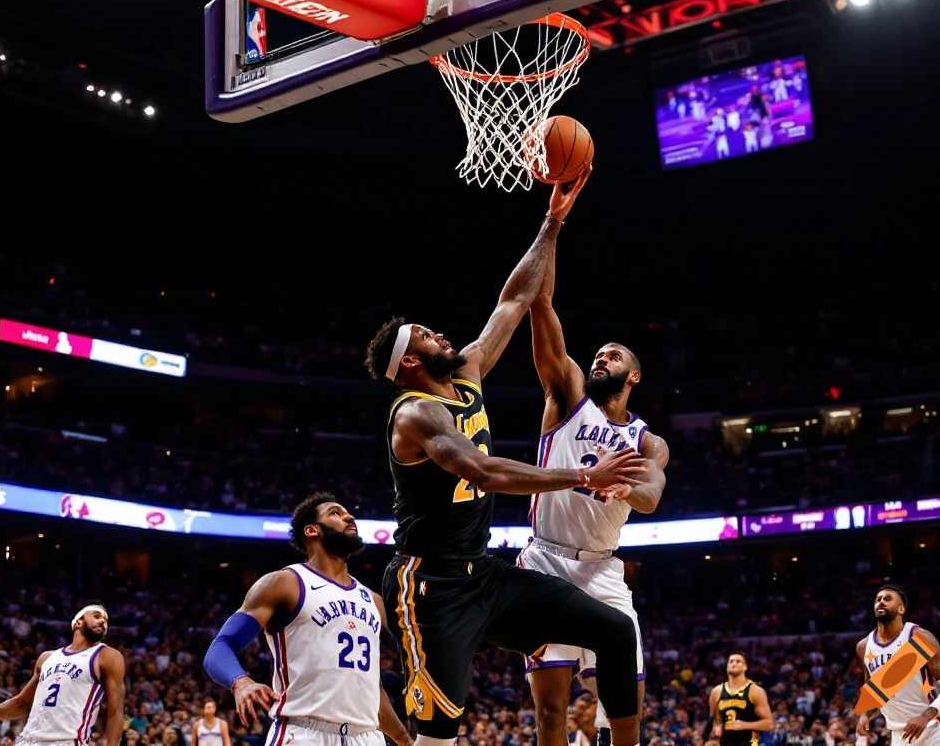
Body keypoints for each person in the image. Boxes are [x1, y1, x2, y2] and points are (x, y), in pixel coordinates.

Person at [363, 168, 645, 746]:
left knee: (616, 631)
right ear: (410, 365)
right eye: (425, 337)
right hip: (429, 585)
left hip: (484, 574)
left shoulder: (466, 370)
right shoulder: (416, 414)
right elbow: (484, 470)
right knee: (438, 735)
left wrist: (554, 220)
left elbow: (517, 298)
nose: (440, 335)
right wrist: (586, 474)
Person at [518, 249, 671, 746]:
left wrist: (627, 486)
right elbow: (542, 306)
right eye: (598, 354)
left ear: (634, 376)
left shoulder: (648, 441)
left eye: (614, 355)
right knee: (551, 712)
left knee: (626, 712)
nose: (601, 358)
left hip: (605, 571)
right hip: (546, 562)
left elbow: (651, 495)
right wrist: (554, 225)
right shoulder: (568, 396)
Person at [203, 492, 414, 746]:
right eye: (335, 513)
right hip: (304, 732)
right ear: (312, 531)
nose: (349, 516)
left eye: (347, 512)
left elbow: (372, 691)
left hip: (368, 736)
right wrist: (242, 683)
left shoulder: (374, 601)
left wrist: (403, 738)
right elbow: (221, 646)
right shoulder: (285, 583)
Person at [0, 604, 126, 746]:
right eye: (97, 616)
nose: (103, 621)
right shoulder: (47, 658)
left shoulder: (106, 656)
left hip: (66, 741)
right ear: (78, 622)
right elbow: (22, 703)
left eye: (105, 620)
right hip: (27, 740)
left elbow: (116, 709)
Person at [855, 585, 940, 746]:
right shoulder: (864, 646)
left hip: (934, 729)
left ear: (901, 609)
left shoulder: (917, 637)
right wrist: (865, 715)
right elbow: (874, 693)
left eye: (887, 598)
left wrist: (925, 717)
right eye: (878, 599)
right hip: (901, 736)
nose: (881, 602)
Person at [708, 654, 773, 746]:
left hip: (749, 743)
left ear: (745, 667)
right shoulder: (716, 692)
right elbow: (715, 720)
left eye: (738, 661)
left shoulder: (755, 691)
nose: (734, 664)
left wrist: (745, 725)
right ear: (727, 667)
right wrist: (717, 727)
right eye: (731, 661)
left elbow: (769, 723)